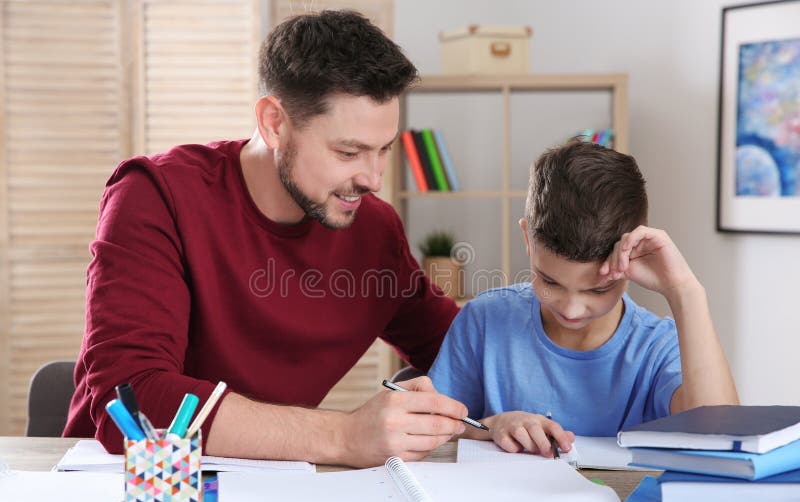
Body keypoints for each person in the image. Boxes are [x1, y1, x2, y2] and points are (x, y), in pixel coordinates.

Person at [64, 10, 469, 468]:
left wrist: (513, 411)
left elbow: (465, 349)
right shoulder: (155, 195)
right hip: (121, 494)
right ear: (275, 123)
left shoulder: (373, 229)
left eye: (384, 150)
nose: (373, 178)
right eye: (348, 152)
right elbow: (133, 400)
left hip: (271, 494)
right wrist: (342, 435)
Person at [428, 140, 739, 456]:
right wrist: (490, 426)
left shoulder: (656, 348)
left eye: (598, 289)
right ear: (527, 239)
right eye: (550, 280)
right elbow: (430, 431)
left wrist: (686, 292)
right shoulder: (485, 320)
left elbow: (719, 439)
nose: (571, 309)